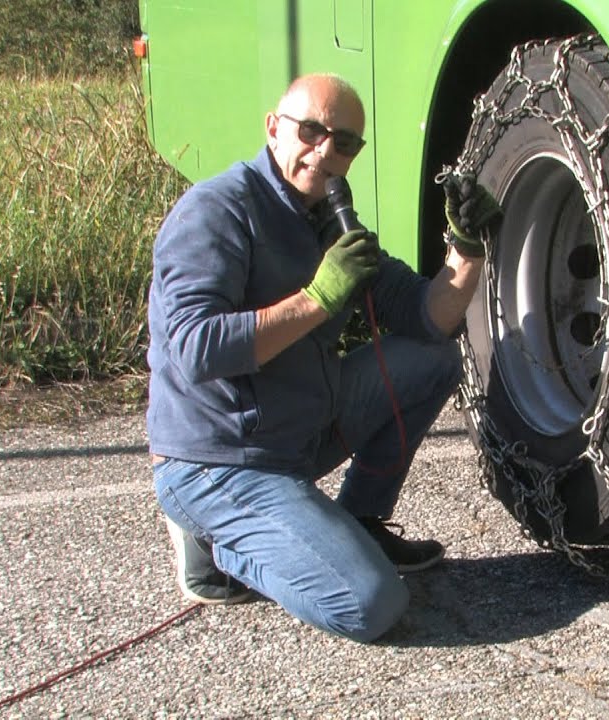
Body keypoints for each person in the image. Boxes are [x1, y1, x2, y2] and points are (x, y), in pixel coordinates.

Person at [145, 73, 502, 643]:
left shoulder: (328, 221)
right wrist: (316, 300)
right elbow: (194, 349)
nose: (324, 151)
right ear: (273, 128)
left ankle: (359, 519)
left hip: (297, 429)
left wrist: (466, 249)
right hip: (220, 459)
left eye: (344, 142)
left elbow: (428, 315)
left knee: (431, 360)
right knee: (372, 604)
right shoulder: (216, 211)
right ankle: (217, 545)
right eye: (310, 131)